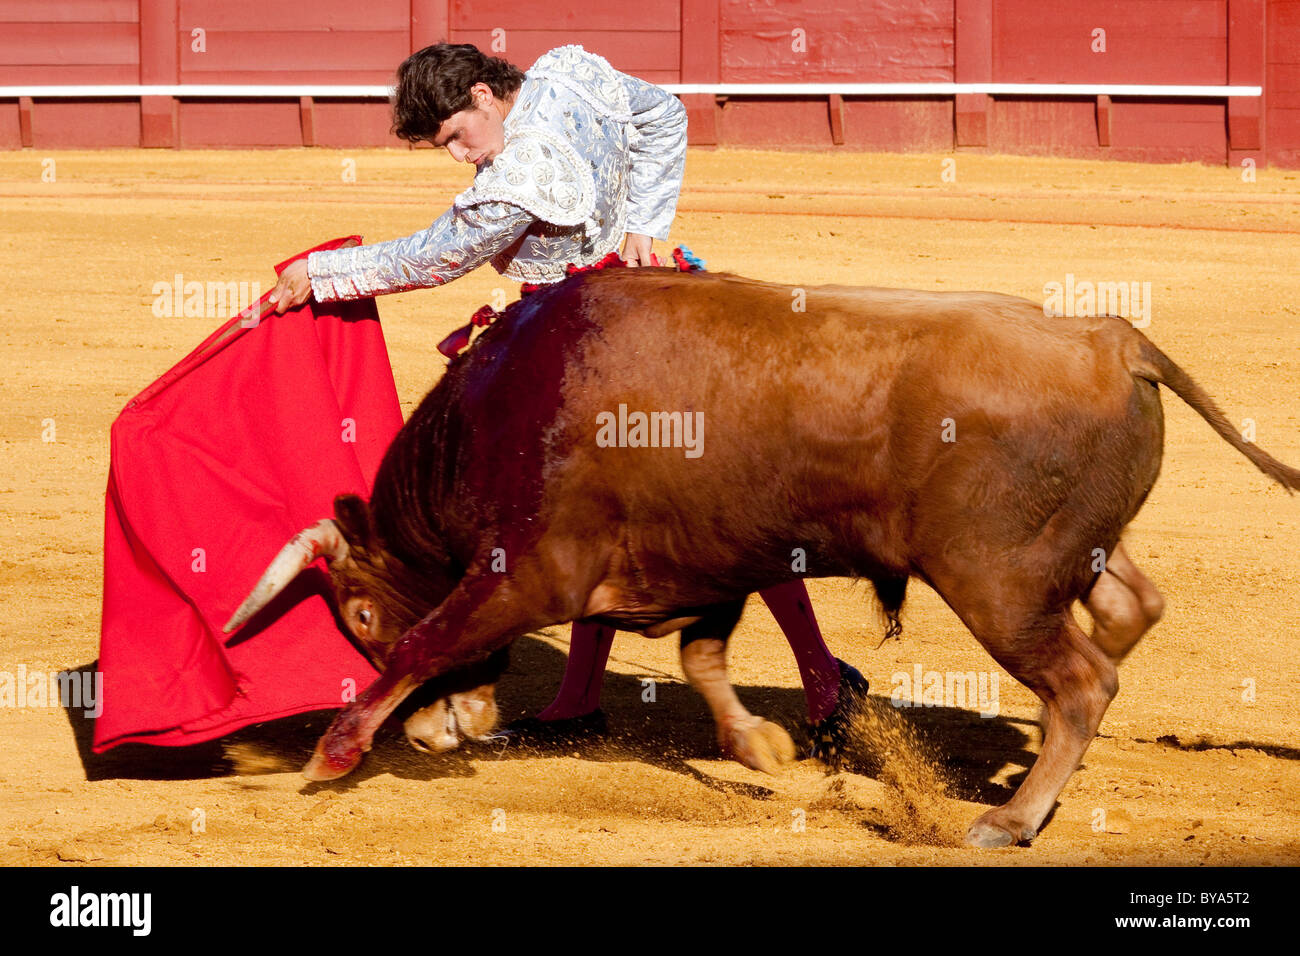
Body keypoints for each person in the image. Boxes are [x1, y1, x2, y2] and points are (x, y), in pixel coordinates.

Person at [266, 41, 862, 751]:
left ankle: (819, 674)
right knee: (635, 509)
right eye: (443, 148)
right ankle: (597, 694)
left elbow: (433, 257)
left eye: (457, 135)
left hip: (587, 348)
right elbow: (665, 115)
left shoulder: (519, 174)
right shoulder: (568, 73)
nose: (460, 158)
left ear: (484, 94)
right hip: (663, 304)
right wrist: (648, 223)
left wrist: (321, 273)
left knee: (671, 508)